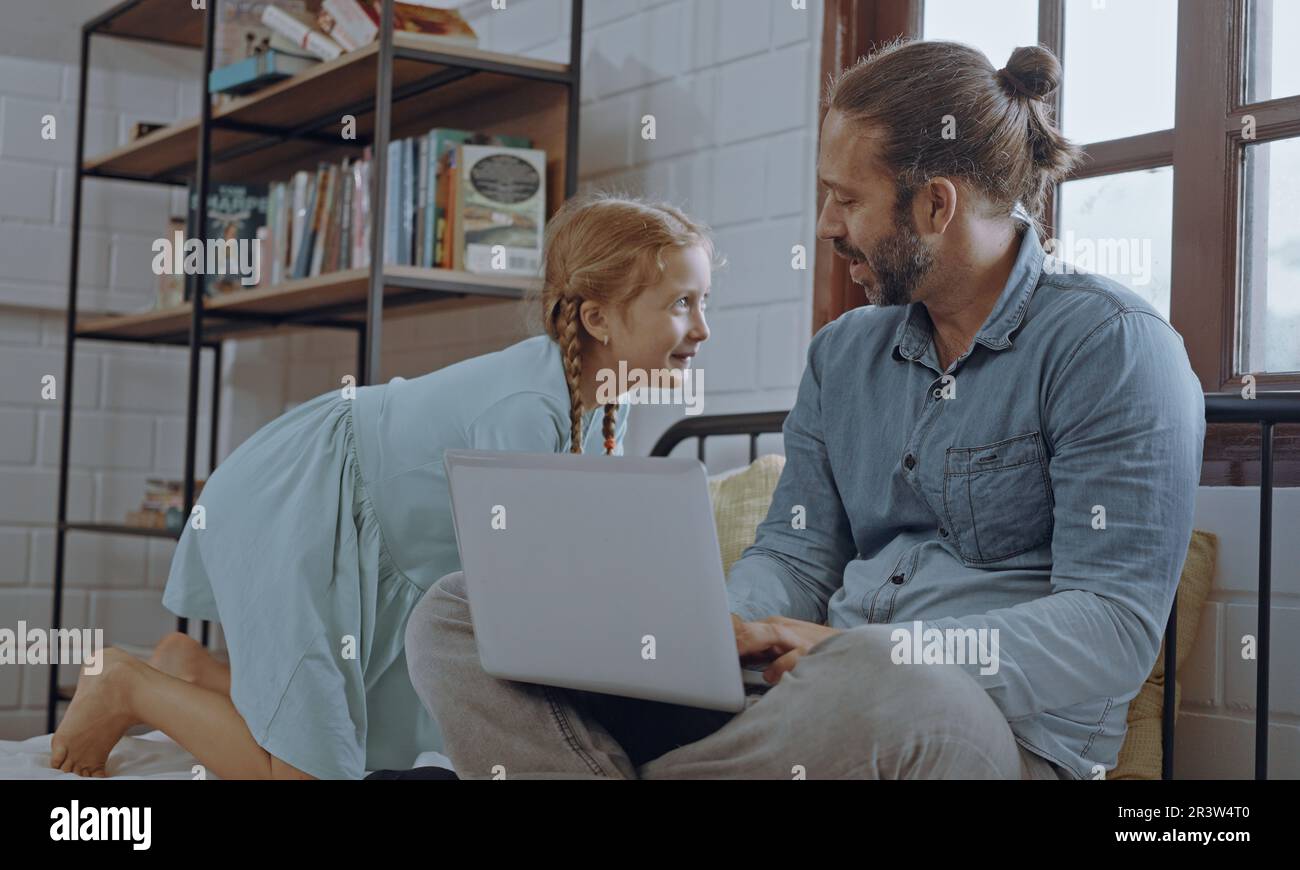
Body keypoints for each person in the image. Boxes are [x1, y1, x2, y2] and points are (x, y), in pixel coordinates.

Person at [404, 40, 1205, 780]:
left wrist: (876, 651)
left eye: (844, 199)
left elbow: (1111, 628)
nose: (825, 226)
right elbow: (795, 558)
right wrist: (699, 635)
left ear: (935, 206)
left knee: (900, 686)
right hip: (791, 715)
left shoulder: (1115, 349)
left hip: (982, 732)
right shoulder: (843, 355)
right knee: (460, 612)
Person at [47, 192, 717, 779]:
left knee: (360, 740)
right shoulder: (526, 408)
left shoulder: (602, 403)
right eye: (682, 304)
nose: (703, 328)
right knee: (310, 778)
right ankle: (127, 684)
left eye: (703, 302)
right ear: (598, 319)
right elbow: (524, 595)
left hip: (361, 515)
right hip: (309, 499)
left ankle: (190, 671)